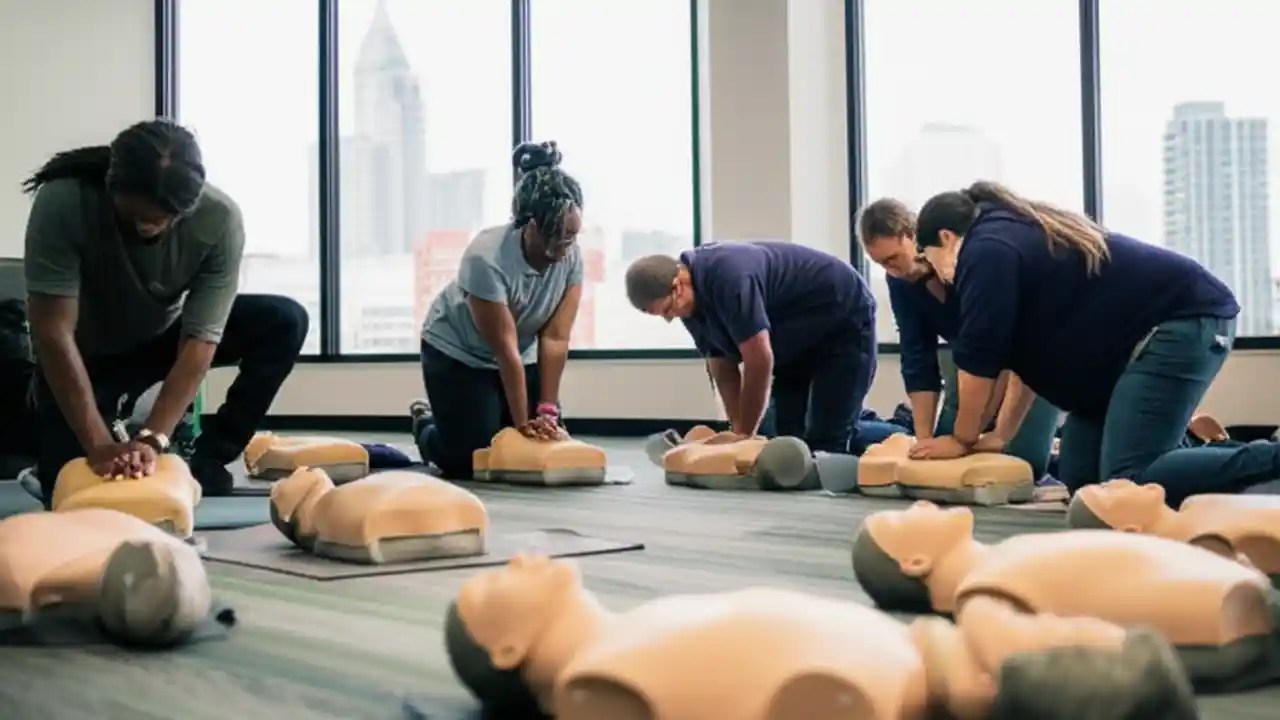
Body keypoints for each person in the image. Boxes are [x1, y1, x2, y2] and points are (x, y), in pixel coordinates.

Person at [907, 180, 1280, 506]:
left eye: (928, 258)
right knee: (1085, 484)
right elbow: (1025, 364)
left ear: (945, 238)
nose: (935, 271)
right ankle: (1196, 453)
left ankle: (1270, 460)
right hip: (1127, 353)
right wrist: (1002, 435)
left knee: (1130, 482)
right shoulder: (1005, 239)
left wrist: (962, 438)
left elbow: (979, 356)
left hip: (1181, 321)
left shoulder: (985, 249)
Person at [22, 119, 308, 504]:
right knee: (70, 485)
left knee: (283, 320)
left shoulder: (219, 219)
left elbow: (201, 341)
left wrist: (154, 439)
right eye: (136, 215)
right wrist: (99, 444)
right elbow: (53, 334)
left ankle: (205, 458)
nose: (147, 226)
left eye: (162, 218)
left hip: (160, 341)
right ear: (112, 186)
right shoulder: (64, 200)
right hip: (82, 356)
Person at [857, 198, 1063, 492]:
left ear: (911, 235)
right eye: (879, 264)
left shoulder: (965, 262)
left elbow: (997, 350)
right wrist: (924, 440)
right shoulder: (901, 282)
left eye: (892, 259)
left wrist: (973, 434)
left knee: (1023, 461)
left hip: (1025, 364)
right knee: (943, 455)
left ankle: (1055, 454)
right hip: (969, 367)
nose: (891, 270)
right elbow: (917, 358)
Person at [411, 141, 583, 479]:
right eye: (557, 237)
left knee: (543, 440)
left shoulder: (572, 257)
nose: (564, 249)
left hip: (522, 351)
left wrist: (546, 412)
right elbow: (504, 351)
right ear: (530, 225)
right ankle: (426, 424)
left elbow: (555, 338)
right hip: (459, 353)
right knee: (472, 458)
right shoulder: (486, 258)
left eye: (572, 237)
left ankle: (499, 418)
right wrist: (522, 427)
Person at [625, 241, 877, 454]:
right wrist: (737, 430)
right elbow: (721, 366)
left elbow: (759, 360)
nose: (670, 318)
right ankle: (851, 416)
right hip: (795, 342)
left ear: (678, 284)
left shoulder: (729, 276)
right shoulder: (689, 306)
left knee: (827, 442)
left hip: (844, 322)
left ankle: (901, 428)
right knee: (791, 441)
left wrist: (745, 434)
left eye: (668, 310)